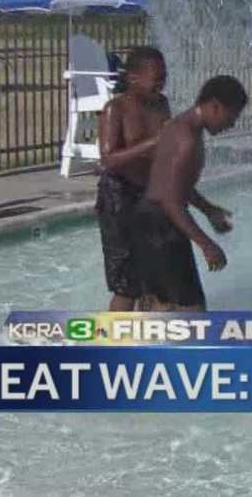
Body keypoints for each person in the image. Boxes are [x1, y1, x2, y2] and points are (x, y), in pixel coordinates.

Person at [96, 49, 233, 311]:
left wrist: (207, 208)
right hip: (119, 198)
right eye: (156, 78)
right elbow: (108, 159)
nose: (162, 83)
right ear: (133, 78)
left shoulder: (161, 104)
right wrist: (153, 142)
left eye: (165, 77)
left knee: (159, 275)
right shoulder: (116, 109)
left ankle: (155, 323)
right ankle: (112, 333)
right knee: (128, 283)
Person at [128, 76, 249, 311]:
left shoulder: (182, 126)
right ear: (215, 106)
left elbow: (174, 183)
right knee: (189, 310)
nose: (231, 124)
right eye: (231, 117)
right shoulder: (187, 138)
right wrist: (207, 245)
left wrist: (208, 209)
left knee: (162, 305)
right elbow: (171, 200)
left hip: (152, 221)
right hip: (159, 226)